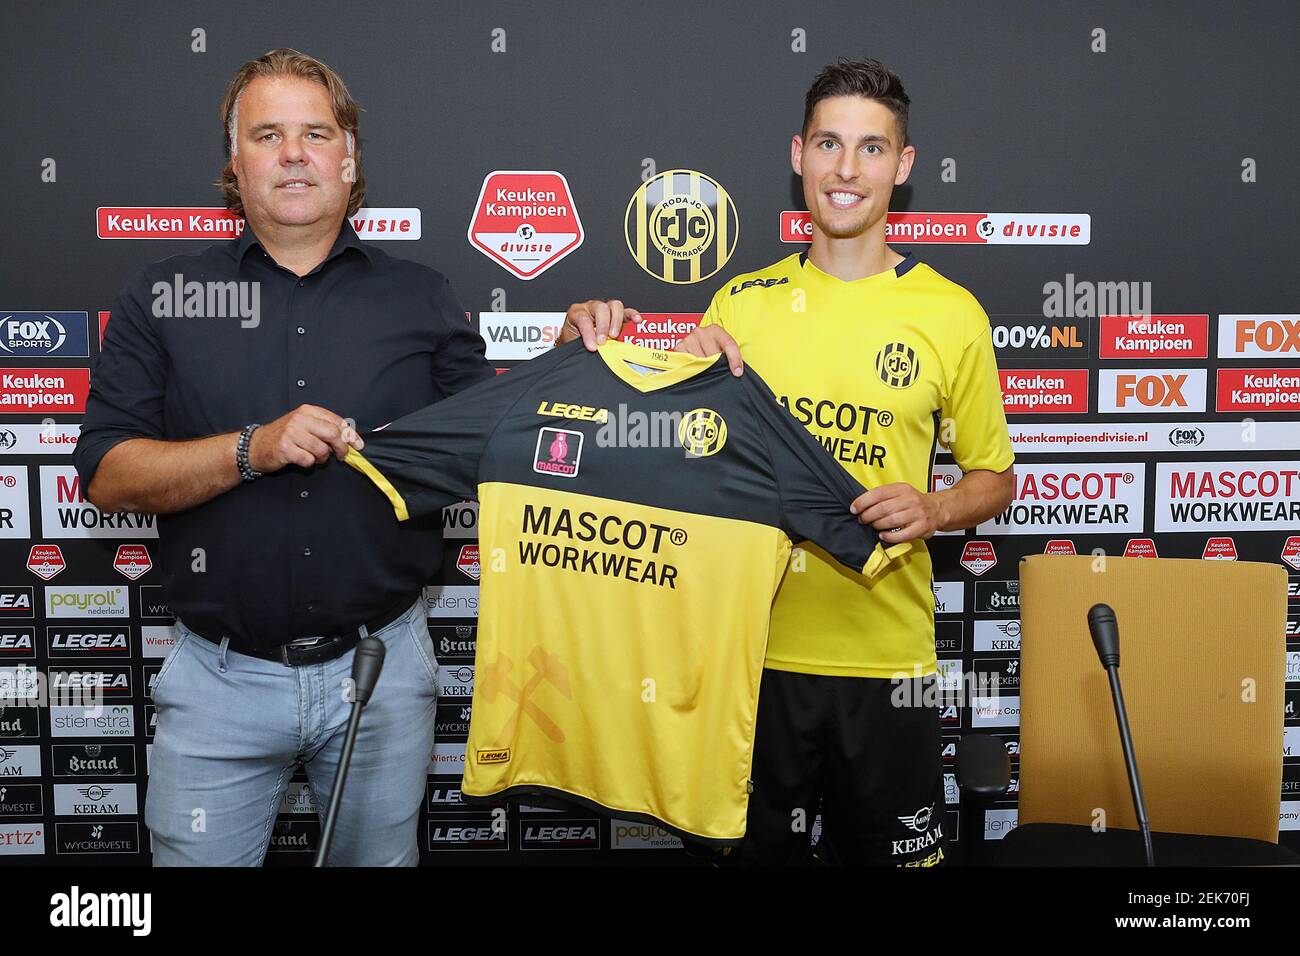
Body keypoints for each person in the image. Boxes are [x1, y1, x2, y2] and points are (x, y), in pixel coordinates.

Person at [560, 58, 1015, 865]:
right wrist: (590, 355)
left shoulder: (951, 314)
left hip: (888, 667)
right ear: (798, 154)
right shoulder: (741, 304)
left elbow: (994, 477)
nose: (847, 169)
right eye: (830, 145)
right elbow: (668, 456)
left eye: (872, 149)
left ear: (903, 166)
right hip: (747, 660)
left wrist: (936, 507)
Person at [73, 48, 493, 866]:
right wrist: (251, 449)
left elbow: (495, 440)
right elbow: (107, 473)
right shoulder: (161, 293)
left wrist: (585, 355)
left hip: (380, 673)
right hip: (217, 683)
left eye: (315, 132)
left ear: (349, 156)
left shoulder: (421, 296)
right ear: (235, 162)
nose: (294, 153)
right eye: (268, 135)